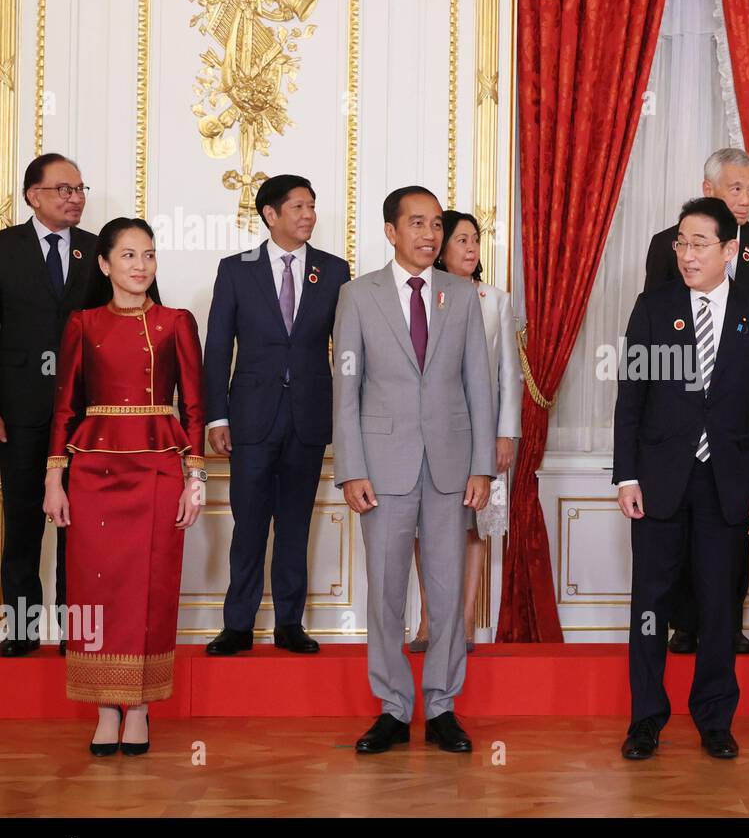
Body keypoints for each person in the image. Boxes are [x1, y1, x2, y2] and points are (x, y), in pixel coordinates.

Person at [615, 196, 749, 761]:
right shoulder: (654, 306)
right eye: (680, 243)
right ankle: (645, 719)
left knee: (719, 608)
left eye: (699, 244)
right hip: (661, 480)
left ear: (729, 250)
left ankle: (715, 719)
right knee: (650, 607)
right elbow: (630, 399)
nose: (687, 254)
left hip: (728, 483)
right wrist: (626, 476)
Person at [333, 186, 495, 755]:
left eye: (436, 224)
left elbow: (480, 383)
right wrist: (351, 467)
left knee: (449, 594)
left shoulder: (462, 295)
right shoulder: (358, 296)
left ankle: (443, 704)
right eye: (418, 223)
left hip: (452, 469)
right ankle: (394, 709)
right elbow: (346, 387)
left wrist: (482, 466)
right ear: (391, 231)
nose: (430, 235)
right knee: (386, 594)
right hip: (381, 468)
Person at [42, 218, 205, 756]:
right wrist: (54, 477)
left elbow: (196, 407)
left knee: (151, 587)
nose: (141, 266)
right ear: (105, 264)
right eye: (130, 256)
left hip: (159, 468)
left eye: (150, 255)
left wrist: (195, 479)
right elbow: (65, 405)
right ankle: (102, 706)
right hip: (93, 470)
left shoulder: (176, 322)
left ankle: (139, 707)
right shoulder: (82, 323)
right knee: (97, 587)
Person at [0, 154, 157, 657]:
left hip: (90, 416)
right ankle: (21, 631)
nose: (75, 198)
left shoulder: (99, 252)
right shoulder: (3, 248)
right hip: (19, 408)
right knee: (22, 522)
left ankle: (76, 634)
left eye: (80, 189)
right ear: (33, 195)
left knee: (83, 532)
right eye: (63, 189)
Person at [644, 148, 749, 656]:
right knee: (676, 542)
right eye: (735, 188)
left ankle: (728, 621)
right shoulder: (668, 246)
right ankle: (685, 622)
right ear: (710, 188)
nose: (745, 199)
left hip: (735, 426)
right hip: (678, 423)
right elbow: (652, 339)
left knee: (731, 540)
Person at [203, 175, 351, 657]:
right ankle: (238, 625)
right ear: (270, 215)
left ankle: (290, 623)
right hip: (250, 417)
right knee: (248, 525)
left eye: (312, 206)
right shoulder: (236, 269)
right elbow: (218, 348)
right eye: (298, 207)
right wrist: (216, 418)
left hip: (309, 416)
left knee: (294, 524)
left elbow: (348, 349)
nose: (308, 215)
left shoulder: (332, 270)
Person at [407, 210, 521, 652]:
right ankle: (428, 621)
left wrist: (505, 434)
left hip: (483, 433)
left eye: (475, 240)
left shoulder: (495, 300)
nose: (472, 249)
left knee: (475, 526)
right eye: (462, 240)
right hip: (431, 433)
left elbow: (508, 373)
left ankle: (466, 622)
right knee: (423, 527)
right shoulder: (419, 297)